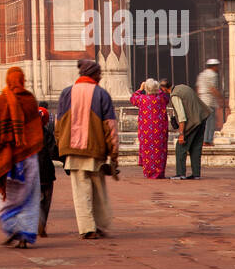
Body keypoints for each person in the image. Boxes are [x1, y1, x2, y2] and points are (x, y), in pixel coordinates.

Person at [55, 57, 119, 239]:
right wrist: (113, 152)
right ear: (94, 74)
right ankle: (98, 224)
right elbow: (110, 127)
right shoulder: (101, 94)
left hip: (72, 150)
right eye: (99, 73)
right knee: (98, 190)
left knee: (80, 190)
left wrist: (62, 145)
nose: (101, 76)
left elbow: (58, 125)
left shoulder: (67, 93)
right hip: (95, 149)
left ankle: (87, 227)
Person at [0, 67, 43, 248]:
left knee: (7, 199)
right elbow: (36, 130)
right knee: (29, 198)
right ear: (23, 80)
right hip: (29, 156)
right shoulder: (30, 100)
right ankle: (25, 234)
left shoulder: (2, 100)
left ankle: (14, 229)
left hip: (8, 159)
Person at [165, 77, 210, 180]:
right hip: (201, 118)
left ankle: (180, 173)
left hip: (192, 122)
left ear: (164, 89)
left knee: (180, 148)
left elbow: (182, 117)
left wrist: (181, 134)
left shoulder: (175, 95)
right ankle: (196, 174)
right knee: (196, 147)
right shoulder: (183, 87)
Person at [130, 78, 170, 179]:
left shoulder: (142, 99)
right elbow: (165, 97)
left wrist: (140, 88)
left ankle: (149, 172)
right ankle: (159, 172)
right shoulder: (161, 98)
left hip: (146, 130)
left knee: (147, 150)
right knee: (159, 150)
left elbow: (133, 98)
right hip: (159, 130)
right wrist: (157, 88)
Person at [37, 106, 58, 237]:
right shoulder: (47, 134)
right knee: (46, 201)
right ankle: (42, 225)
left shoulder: (27, 134)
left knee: (34, 200)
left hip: (33, 173)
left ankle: (35, 222)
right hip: (47, 173)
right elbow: (54, 152)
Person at [195, 59, 223, 145]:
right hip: (209, 100)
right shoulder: (213, 75)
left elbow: (198, 88)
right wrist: (220, 97)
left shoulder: (202, 74)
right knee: (210, 122)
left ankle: (203, 139)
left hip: (202, 100)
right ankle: (208, 140)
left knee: (204, 121)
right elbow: (212, 88)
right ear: (214, 66)